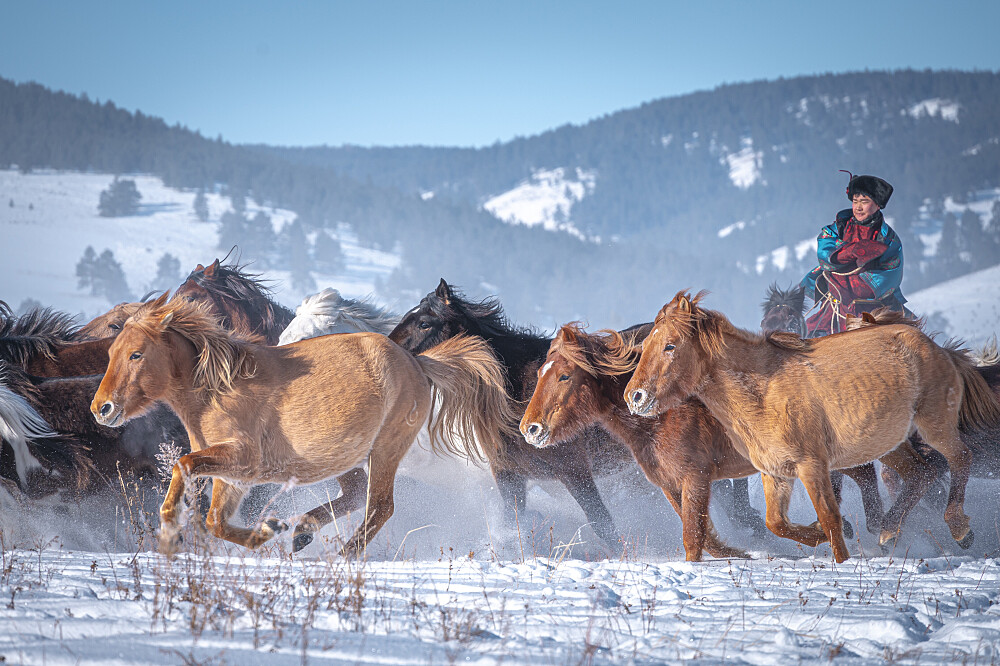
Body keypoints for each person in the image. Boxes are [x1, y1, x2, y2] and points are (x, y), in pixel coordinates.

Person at [800, 174, 907, 337]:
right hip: (835, 303)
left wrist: (854, 283)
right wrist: (848, 252)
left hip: (874, 307)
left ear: (877, 205)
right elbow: (825, 247)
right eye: (855, 201)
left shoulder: (888, 239)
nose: (858, 207)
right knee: (808, 335)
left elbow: (890, 275)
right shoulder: (839, 226)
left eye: (864, 202)